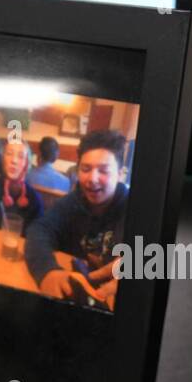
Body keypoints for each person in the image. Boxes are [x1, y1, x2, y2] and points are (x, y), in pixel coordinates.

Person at [25, 130, 132, 308]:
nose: (92, 178)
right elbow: (40, 229)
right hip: (73, 294)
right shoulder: (73, 201)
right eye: (86, 169)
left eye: (104, 170)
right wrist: (47, 271)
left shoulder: (130, 205)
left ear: (121, 174)